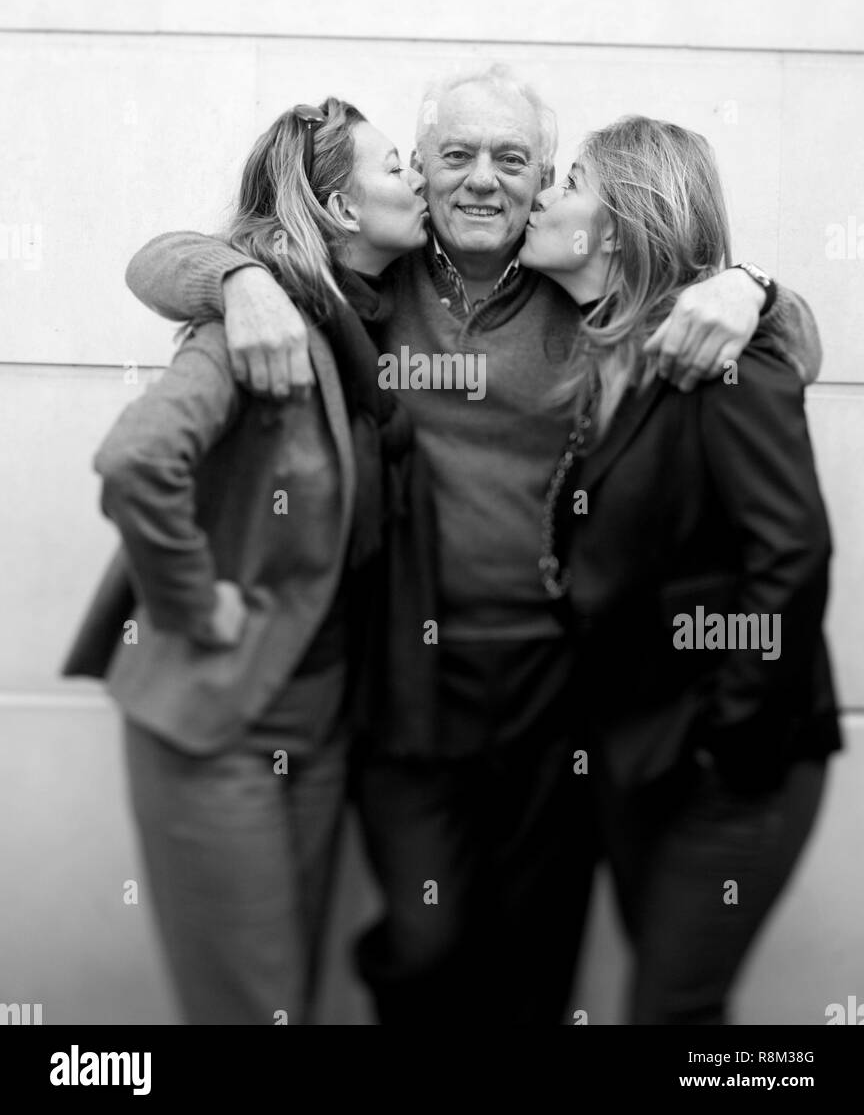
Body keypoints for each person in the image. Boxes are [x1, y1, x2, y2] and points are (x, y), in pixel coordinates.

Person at [123, 65, 822, 1025]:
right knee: (424, 942)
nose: (482, 179)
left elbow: (791, 352)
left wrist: (754, 287)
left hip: (563, 690)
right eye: (455, 155)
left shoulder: (590, 292)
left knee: (538, 954)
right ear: (420, 171)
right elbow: (158, 262)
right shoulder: (371, 277)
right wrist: (239, 279)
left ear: (545, 179)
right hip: (407, 681)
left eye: (513, 159)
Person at [89, 97, 429, 1024]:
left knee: (291, 1005)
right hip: (219, 728)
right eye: (399, 166)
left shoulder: (371, 316)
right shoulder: (258, 331)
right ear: (343, 210)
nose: (424, 182)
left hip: (318, 734)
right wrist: (198, 607)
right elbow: (136, 462)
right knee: (252, 1008)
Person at [521, 114, 841, 1025]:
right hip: (640, 761)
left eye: (568, 179)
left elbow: (792, 555)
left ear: (616, 221)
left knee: (674, 1012)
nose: (542, 191)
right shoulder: (619, 361)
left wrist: (730, 739)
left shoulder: (721, 358)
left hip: (731, 769)